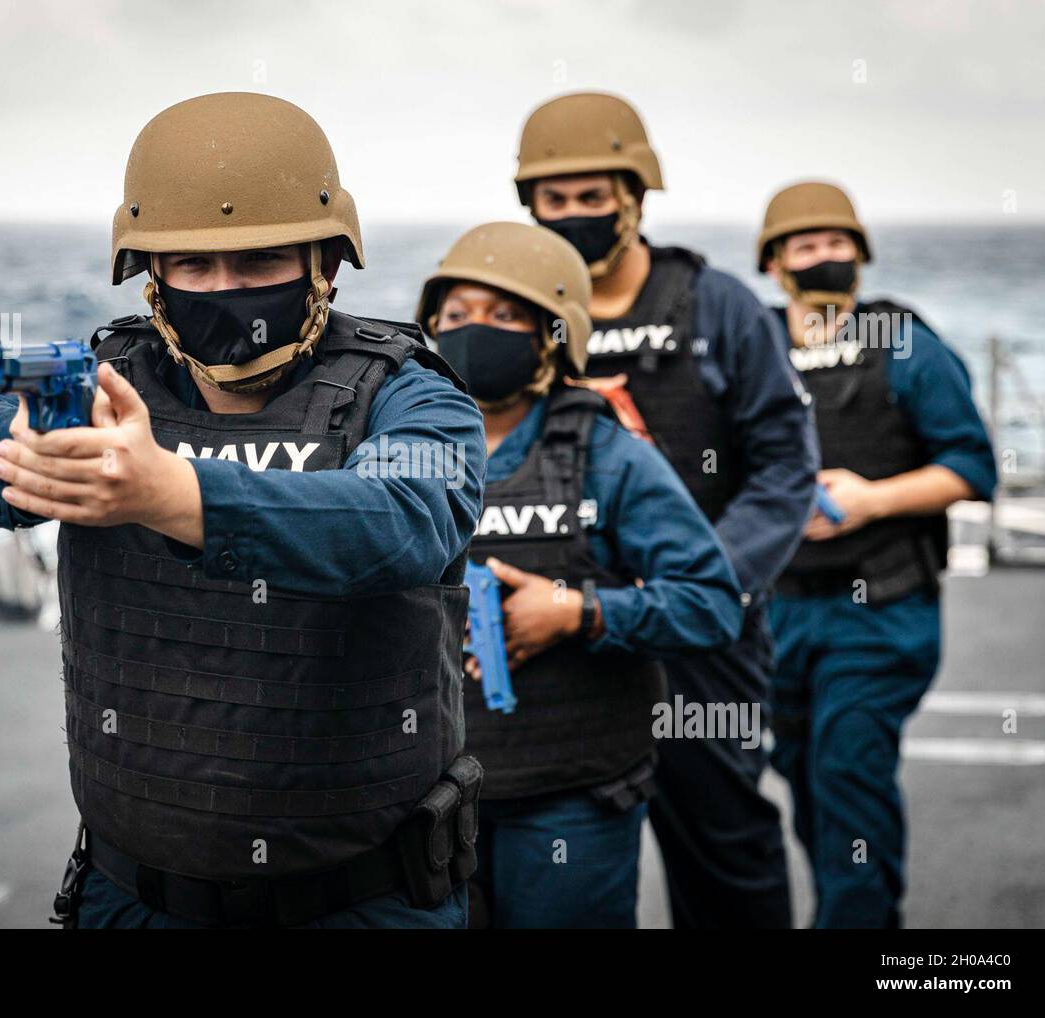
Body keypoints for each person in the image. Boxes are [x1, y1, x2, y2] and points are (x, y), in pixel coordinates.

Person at [0, 92, 488, 929]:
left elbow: (404, 518)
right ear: (153, 277)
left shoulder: (408, 393)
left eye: (259, 262)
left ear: (324, 263)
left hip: (362, 898)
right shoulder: (114, 382)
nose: (225, 290)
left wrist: (171, 493)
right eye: (192, 267)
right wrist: (38, 442)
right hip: (133, 893)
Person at [513, 91, 818, 928]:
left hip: (695, 638)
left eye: (592, 196)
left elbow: (788, 467)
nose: (573, 213)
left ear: (635, 195)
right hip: (556, 631)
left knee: (723, 845)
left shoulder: (718, 307)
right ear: (529, 206)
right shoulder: (517, 312)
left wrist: (708, 581)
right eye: (554, 199)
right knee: (543, 853)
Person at [415, 221, 744, 927]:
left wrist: (579, 612)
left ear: (551, 334)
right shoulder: (392, 449)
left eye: (505, 315)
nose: (477, 330)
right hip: (422, 804)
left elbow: (712, 604)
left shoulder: (609, 455)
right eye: (457, 314)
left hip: (570, 801)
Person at [757, 180, 997, 927]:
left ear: (860, 258)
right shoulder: (755, 351)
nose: (824, 257)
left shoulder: (907, 347)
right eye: (806, 245)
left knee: (847, 772)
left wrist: (871, 498)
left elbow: (972, 467)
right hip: (776, 614)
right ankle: (849, 908)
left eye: (838, 244)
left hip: (882, 609)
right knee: (800, 774)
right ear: (774, 264)